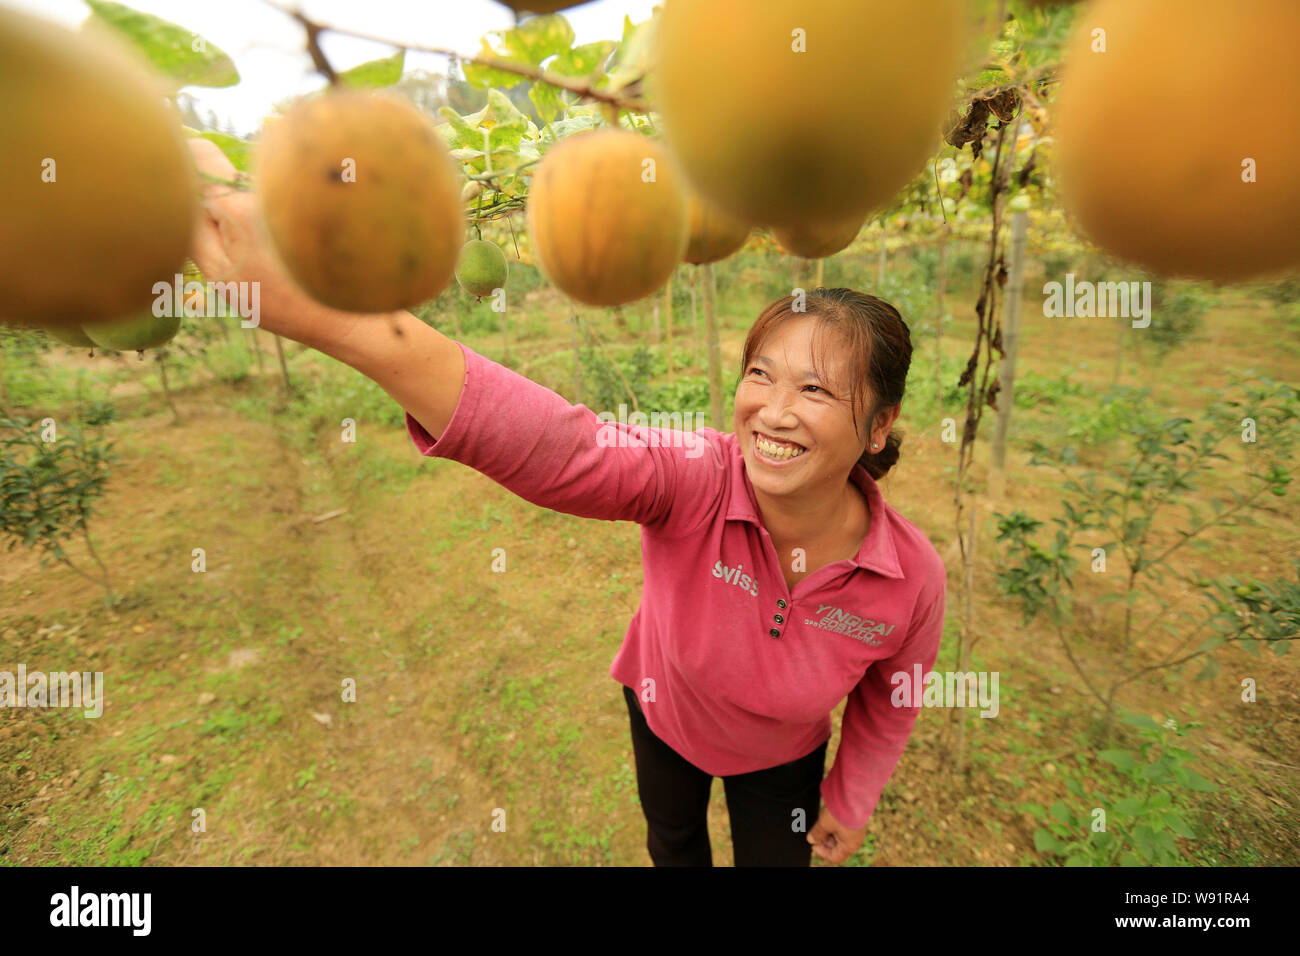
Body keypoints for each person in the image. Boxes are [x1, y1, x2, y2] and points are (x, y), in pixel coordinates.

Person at [187, 139, 947, 867]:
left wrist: (850, 801)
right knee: (673, 847)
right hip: (663, 716)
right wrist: (332, 313)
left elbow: (890, 702)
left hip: (785, 759)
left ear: (879, 424)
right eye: (760, 374)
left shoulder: (909, 578)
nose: (772, 412)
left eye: (814, 389)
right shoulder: (696, 475)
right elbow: (565, 447)